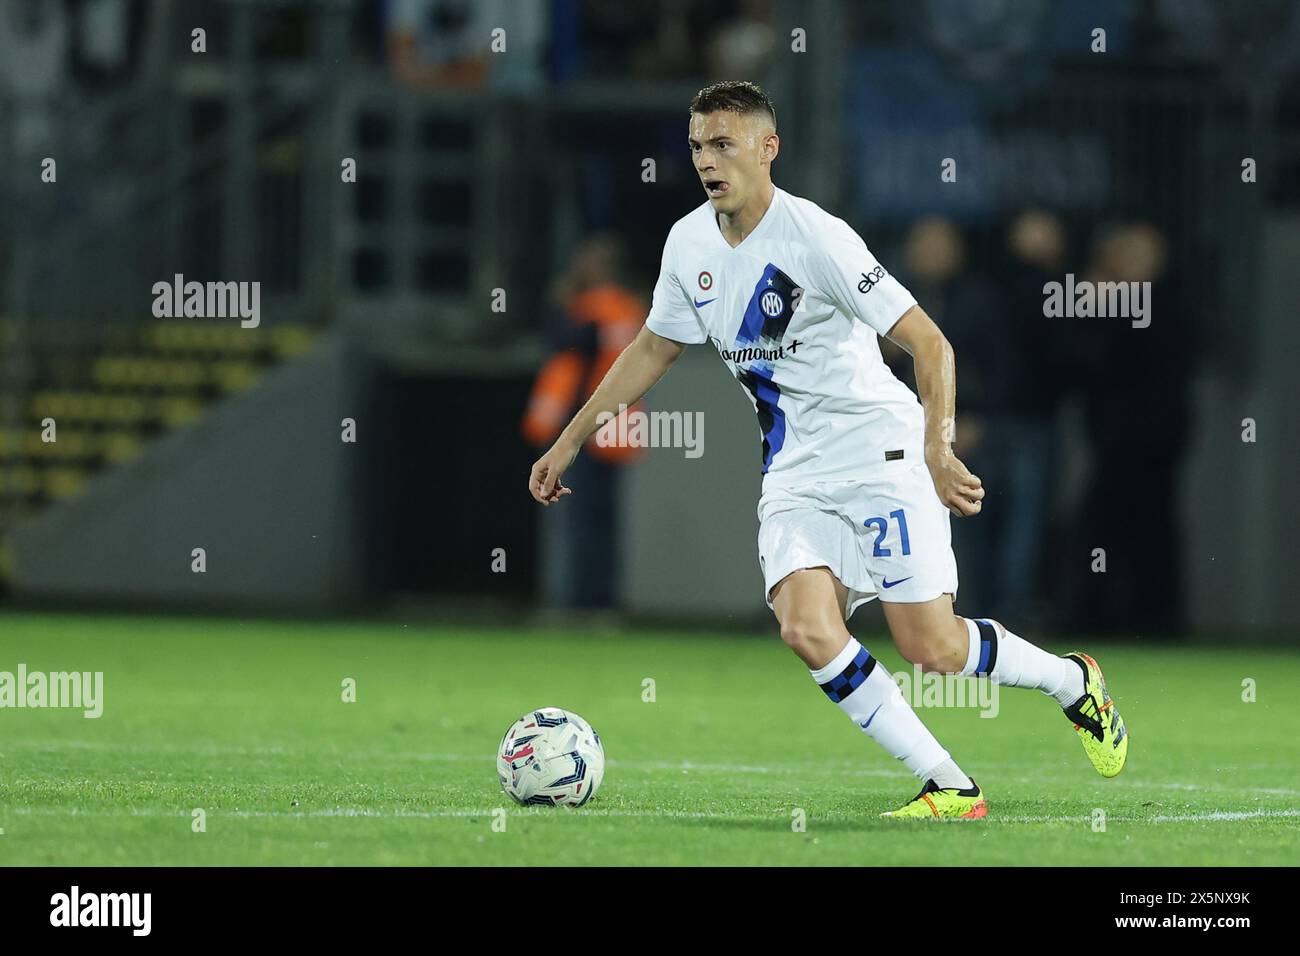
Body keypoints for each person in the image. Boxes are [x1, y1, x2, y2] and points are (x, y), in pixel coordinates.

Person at [527, 82, 1127, 818]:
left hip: (881, 455)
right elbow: (655, 345)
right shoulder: (688, 243)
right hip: (795, 472)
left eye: (723, 144)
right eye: (696, 147)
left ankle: (1074, 683)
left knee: (933, 650)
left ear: (766, 147)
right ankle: (950, 784)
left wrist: (938, 451)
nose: (707, 161)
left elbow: (929, 344)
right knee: (807, 628)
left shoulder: (816, 236)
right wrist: (573, 436)